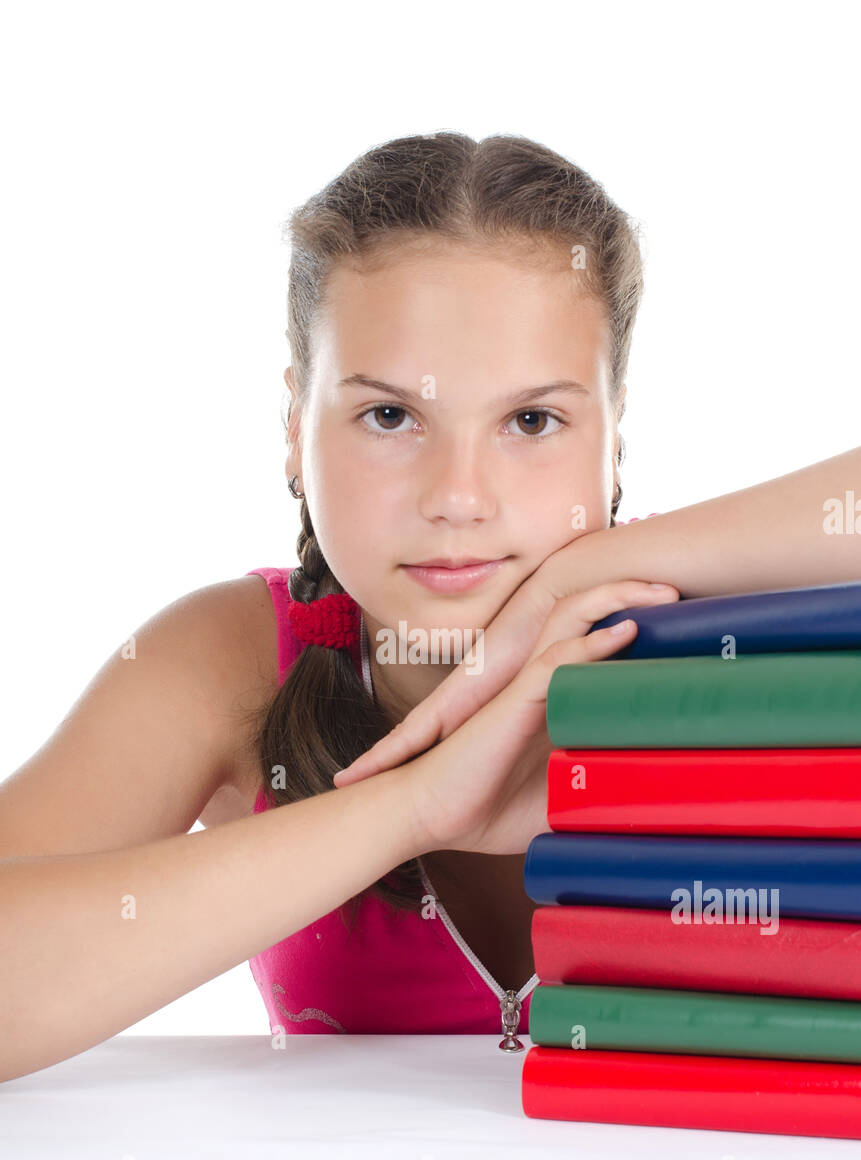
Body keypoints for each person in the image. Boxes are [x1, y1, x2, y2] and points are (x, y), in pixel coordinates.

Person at [1, 131, 857, 1080]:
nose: (458, 495)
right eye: (390, 416)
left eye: (533, 421)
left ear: (614, 434)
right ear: (294, 428)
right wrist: (414, 807)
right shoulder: (232, 659)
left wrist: (607, 564)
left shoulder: (730, 627)